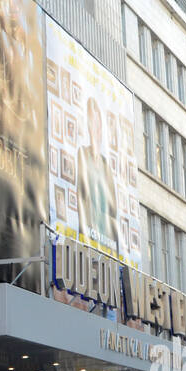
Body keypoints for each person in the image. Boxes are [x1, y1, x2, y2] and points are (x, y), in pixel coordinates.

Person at [76, 98, 119, 257]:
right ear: (88, 127)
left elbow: (113, 212)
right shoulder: (82, 154)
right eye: (92, 124)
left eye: (98, 124)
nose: (96, 130)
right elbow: (81, 196)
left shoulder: (106, 165)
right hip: (87, 239)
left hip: (107, 244)